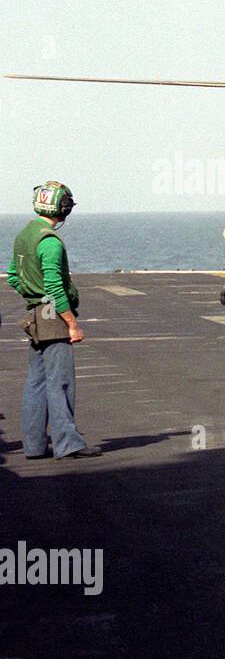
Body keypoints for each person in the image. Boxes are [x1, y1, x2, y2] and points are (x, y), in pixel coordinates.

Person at [6, 181, 101, 459]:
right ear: (63, 207)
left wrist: (33, 296)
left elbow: (13, 277)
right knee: (60, 383)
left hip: (36, 315)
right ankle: (68, 444)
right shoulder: (50, 241)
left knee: (36, 382)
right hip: (52, 316)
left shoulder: (24, 235)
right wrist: (71, 323)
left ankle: (34, 446)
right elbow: (54, 287)